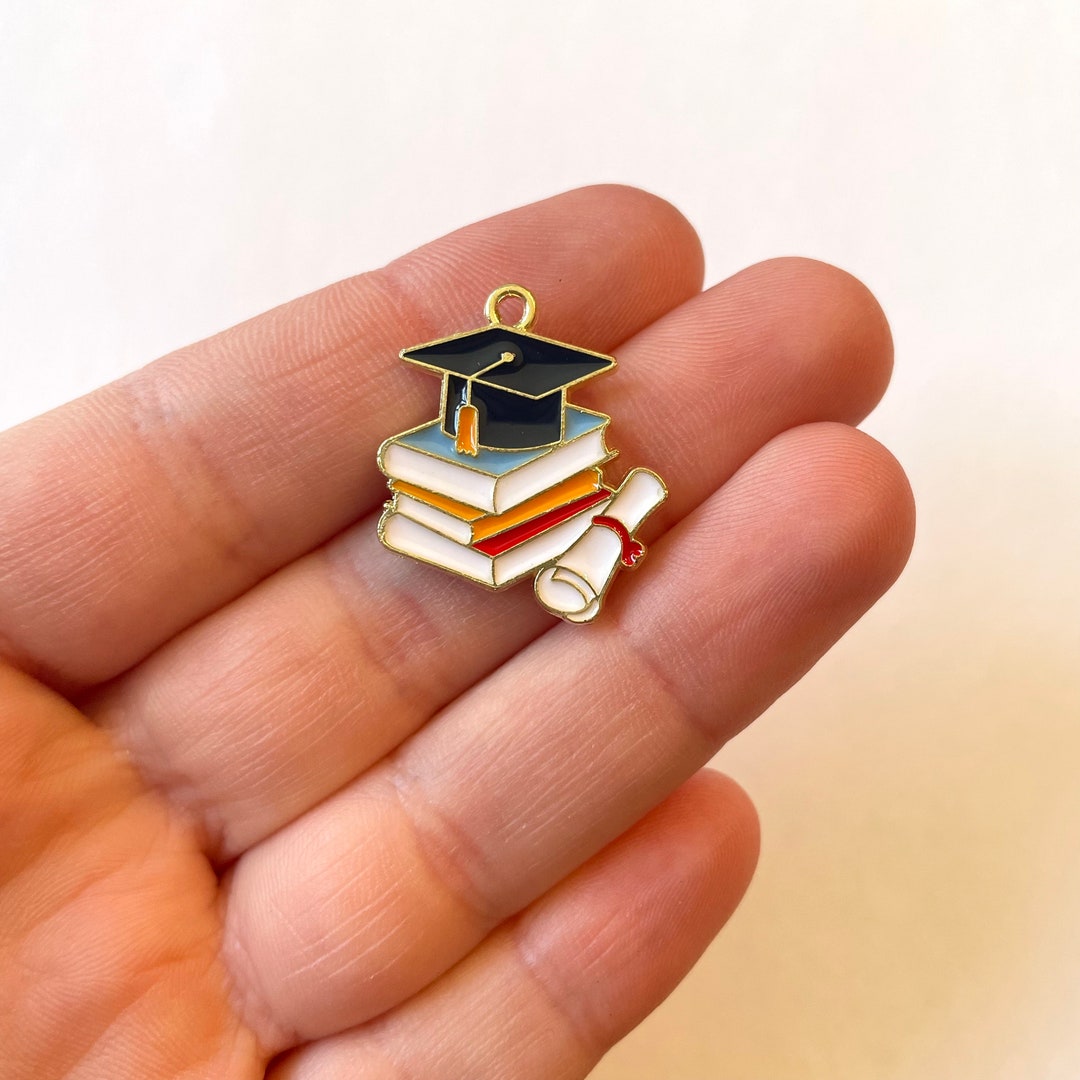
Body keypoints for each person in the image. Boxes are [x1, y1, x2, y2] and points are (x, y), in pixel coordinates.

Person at [0, 185, 914, 1079]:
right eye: (469, 409)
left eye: (482, 412)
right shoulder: (446, 461)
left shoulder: (553, 463)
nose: (474, 421)